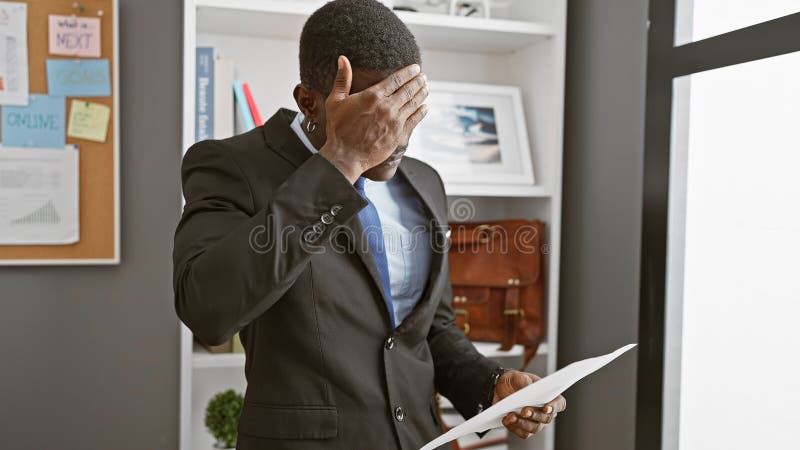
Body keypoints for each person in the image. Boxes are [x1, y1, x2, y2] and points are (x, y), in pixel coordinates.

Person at [172, 1, 565, 448]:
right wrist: (342, 160)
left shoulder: (424, 182)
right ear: (308, 101)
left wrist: (490, 385)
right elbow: (205, 310)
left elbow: (430, 329)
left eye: (406, 106)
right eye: (373, 111)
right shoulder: (233, 165)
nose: (392, 131)